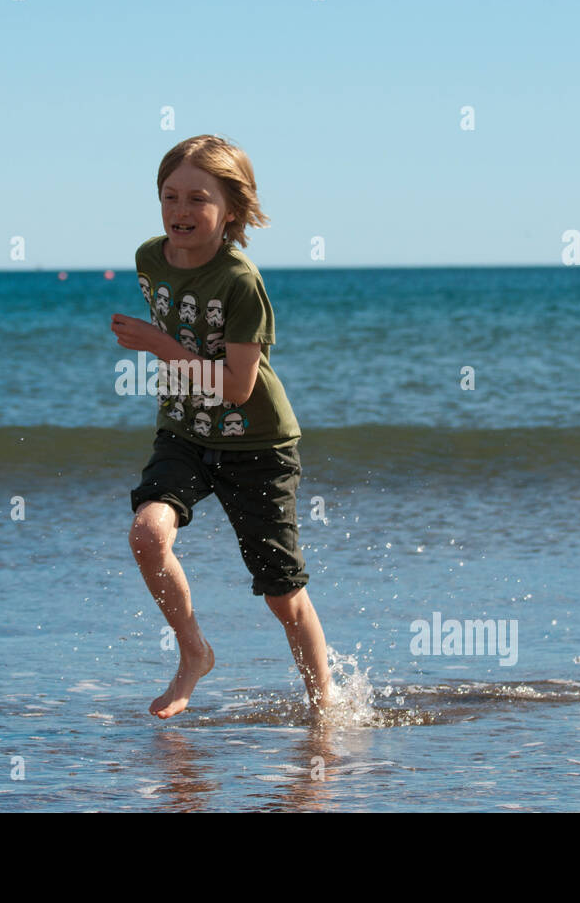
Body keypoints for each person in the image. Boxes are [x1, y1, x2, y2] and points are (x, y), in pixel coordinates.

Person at [110, 134, 333, 722]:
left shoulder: (241, 281)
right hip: (184, 430)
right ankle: (194, 652)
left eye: (197, 199)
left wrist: (157, 344)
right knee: (147, 536)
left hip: (257, 444)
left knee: (283, 594)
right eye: (169, 196)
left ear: (230, 208)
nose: (180, 211)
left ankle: (326, 707)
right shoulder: (148, 260)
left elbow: (237, 387)